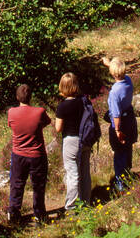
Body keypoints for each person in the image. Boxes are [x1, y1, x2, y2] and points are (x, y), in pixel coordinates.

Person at [7, 83, 51, 227]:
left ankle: (13, 214)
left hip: (18, 154)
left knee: (17, 184)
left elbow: (11, 125)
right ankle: (39, 214)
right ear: (30, 97)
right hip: (37, 154)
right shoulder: (39, 112)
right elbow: (47, 122)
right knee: (38, 185)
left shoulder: (11, 112)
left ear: (17, 96)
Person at [54, 72, 92, 213]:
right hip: (86, 139)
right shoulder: (83, 101)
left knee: (73, 174)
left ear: (62, 87)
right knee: (85, 172)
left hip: (71, 140)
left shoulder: (62, 106)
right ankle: (86, 202)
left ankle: (71, 205)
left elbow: (58, 128)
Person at [105, 56, 137, 194]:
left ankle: (120, 183)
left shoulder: (114, 92)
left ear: (112, 73)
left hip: (120, 123)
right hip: (130, 118)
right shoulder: (128, 81)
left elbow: (116, 114)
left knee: (119, 153)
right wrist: (109, 64)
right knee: (128, 147)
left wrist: (117, 130)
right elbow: (119, 72)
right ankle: (128, 175)